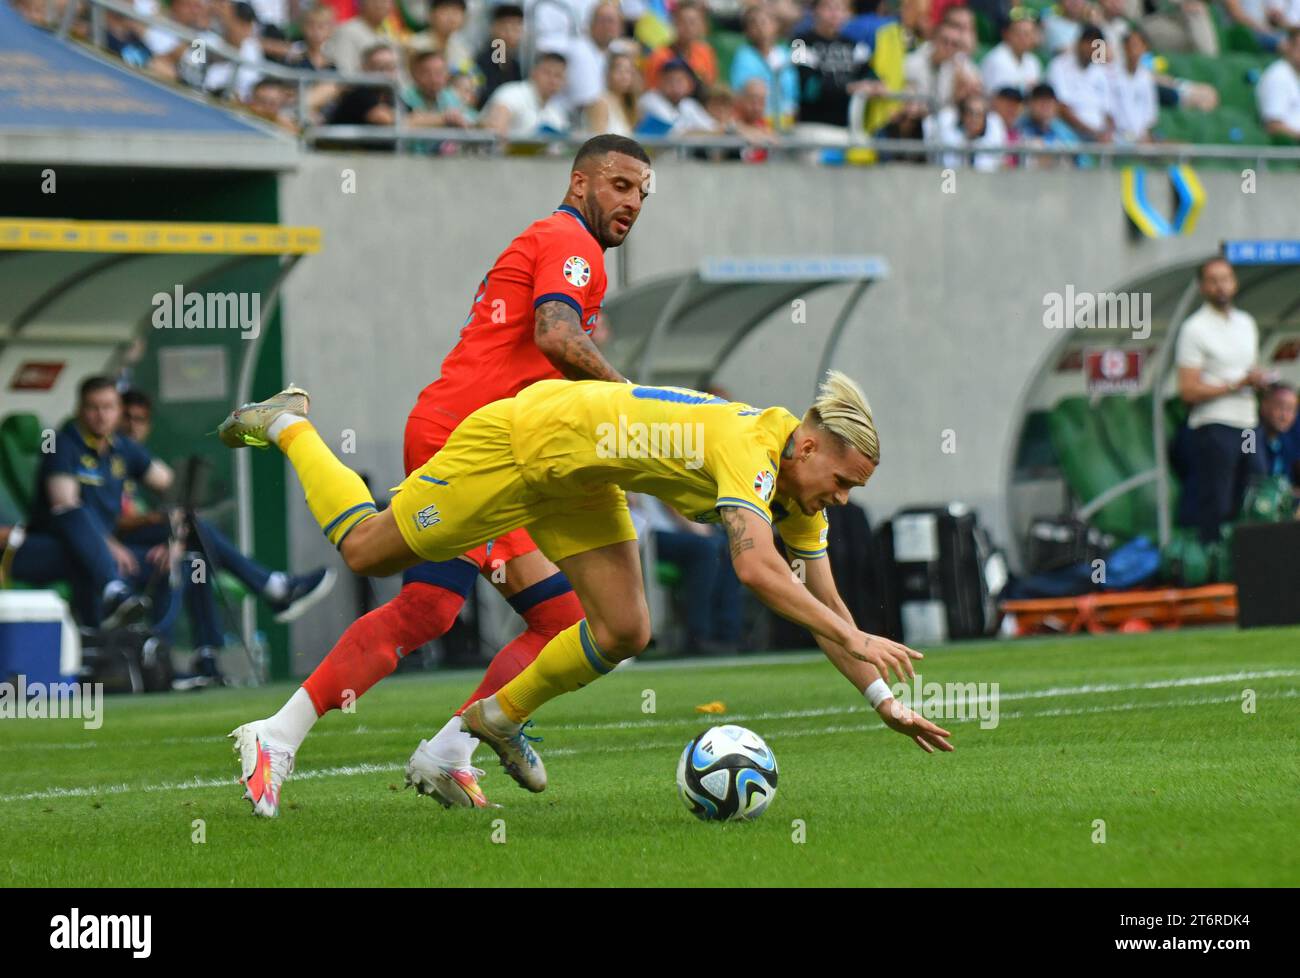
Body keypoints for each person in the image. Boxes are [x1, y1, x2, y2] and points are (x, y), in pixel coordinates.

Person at [218, 371, 953, 811]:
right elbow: (755, 569)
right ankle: (289, 424)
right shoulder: (753, 449)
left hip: (586, 479)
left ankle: (496, 720)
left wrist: (884, 702)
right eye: (845, 482)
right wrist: (856, 640)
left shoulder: (800, 491)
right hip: (525, 444)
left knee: (627, 628)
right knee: (367, 549)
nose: (845, 498)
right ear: (810, 446)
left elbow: (826, 604)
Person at [223, 135, 651, 817]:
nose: (633, 202)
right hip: (470, 446)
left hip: (502, 450)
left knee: (439, 607)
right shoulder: (572, 245)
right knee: (553, 615)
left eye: (642, 193)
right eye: (620, 185)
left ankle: (439, 748)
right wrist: (636, 407)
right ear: (580, 184)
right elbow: (556, 336)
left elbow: (546, 356)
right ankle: (288, 428)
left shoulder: (559, 243)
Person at [115, 388, 336, 681]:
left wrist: (175, 540)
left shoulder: (133, 455)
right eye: (126, 417)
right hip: (111, 552)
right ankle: (273, 587)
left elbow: (174, 491)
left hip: (150, 544)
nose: (132, 425)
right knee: (195, 536)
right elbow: (110, 523)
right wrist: (171, 530)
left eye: (140, 419)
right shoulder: (107, 452)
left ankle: (206, 656)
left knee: (196, 559)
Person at [7, 377, 172, 630]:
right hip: (43, 546)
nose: (101, 415)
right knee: (77, 523)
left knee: (176, 564)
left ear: (119, 411)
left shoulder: (120, 446)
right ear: (79, 410)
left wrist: (173, 541)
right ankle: (98, 631)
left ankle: (157, 651)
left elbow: (167, 482)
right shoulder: (61, 444)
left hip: (101, 549)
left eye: (108, 407)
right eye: (93, 407)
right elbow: (65, 505)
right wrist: (108, 545)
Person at [1175, 257, 1270, 542]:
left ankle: (1253, 569)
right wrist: (1233, 385)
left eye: (1226, 278)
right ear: (1203, 287)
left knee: (1258, 495)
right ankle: (1216, 568)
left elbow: (1248, 371)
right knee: (1218, 502)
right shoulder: (1194, 329)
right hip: (1215, 426)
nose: (1221, 286)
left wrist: (1257, 381)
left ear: (1235, 282)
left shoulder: (1246, 323)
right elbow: (1188, 391)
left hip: (1249, 424)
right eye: (1213, 280)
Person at [481, 50, 571, 137]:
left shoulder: (557, 113)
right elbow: (495, 132)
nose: (553, 80)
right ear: (533, 72)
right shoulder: (511, 93)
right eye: (547, 73)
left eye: (558, 76)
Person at [1256, 27, 1300, 142]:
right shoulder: (1278, 76)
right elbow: (1273, 126)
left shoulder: (1295, 75)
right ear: (1289, 47)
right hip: (1288, 149)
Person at [1256, 382, 1300, 495]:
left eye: (1291, 409)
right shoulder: (1249, 436)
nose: (1285, 415)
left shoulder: (1289, 439)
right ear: (1264, 405)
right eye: (1280, 407)